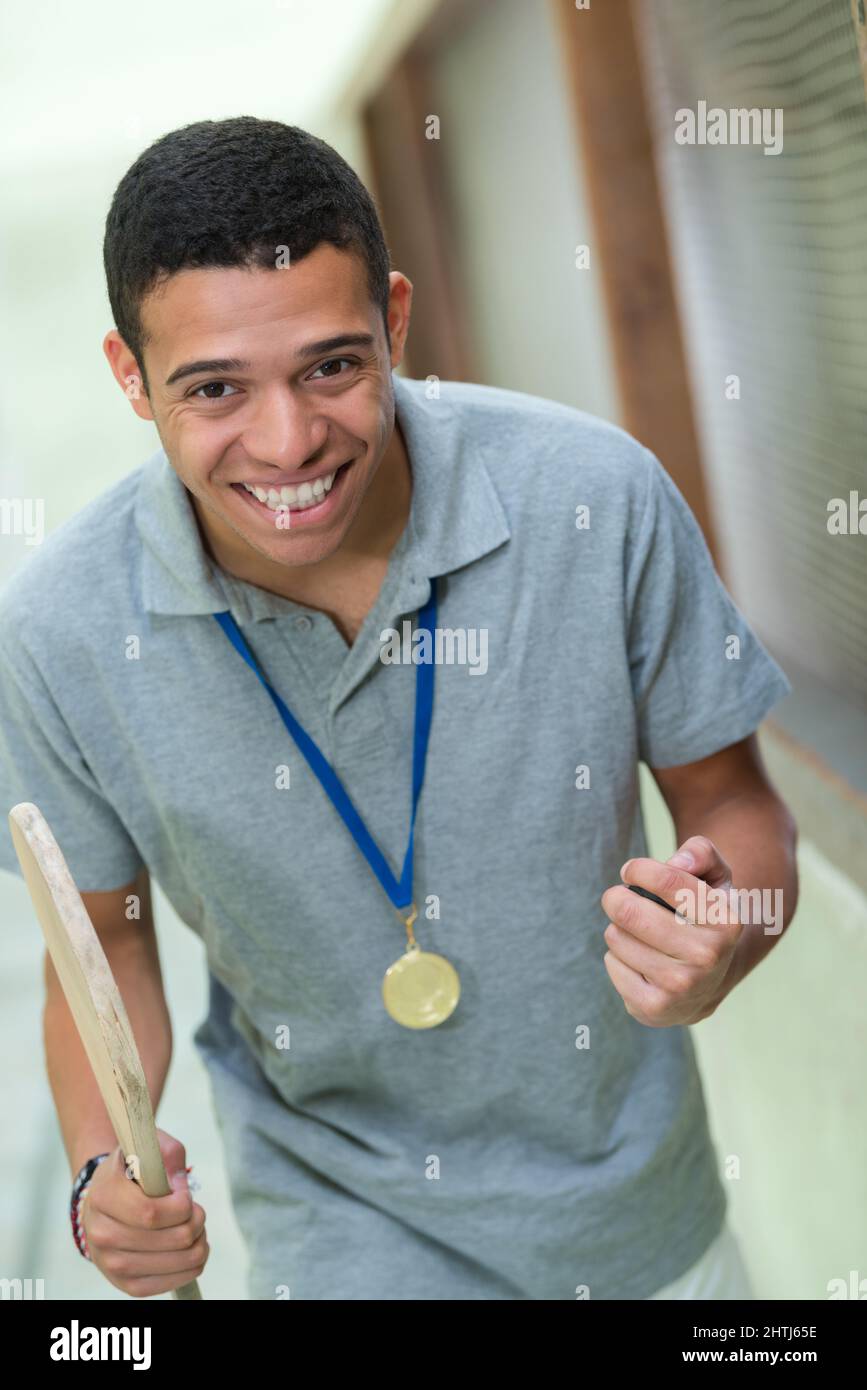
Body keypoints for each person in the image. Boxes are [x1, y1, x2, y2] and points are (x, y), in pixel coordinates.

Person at [0, 116, 797, 1301]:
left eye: (331, 365)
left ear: (398, 322)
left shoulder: (596, 496)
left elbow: (734, 805)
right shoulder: (57, 630)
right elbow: (102, 943)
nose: (288, 443)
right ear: (130, 376)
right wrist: (99, 1171)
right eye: (214, 388)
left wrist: (726, 925)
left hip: (634, 1207)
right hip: (336, 1219)